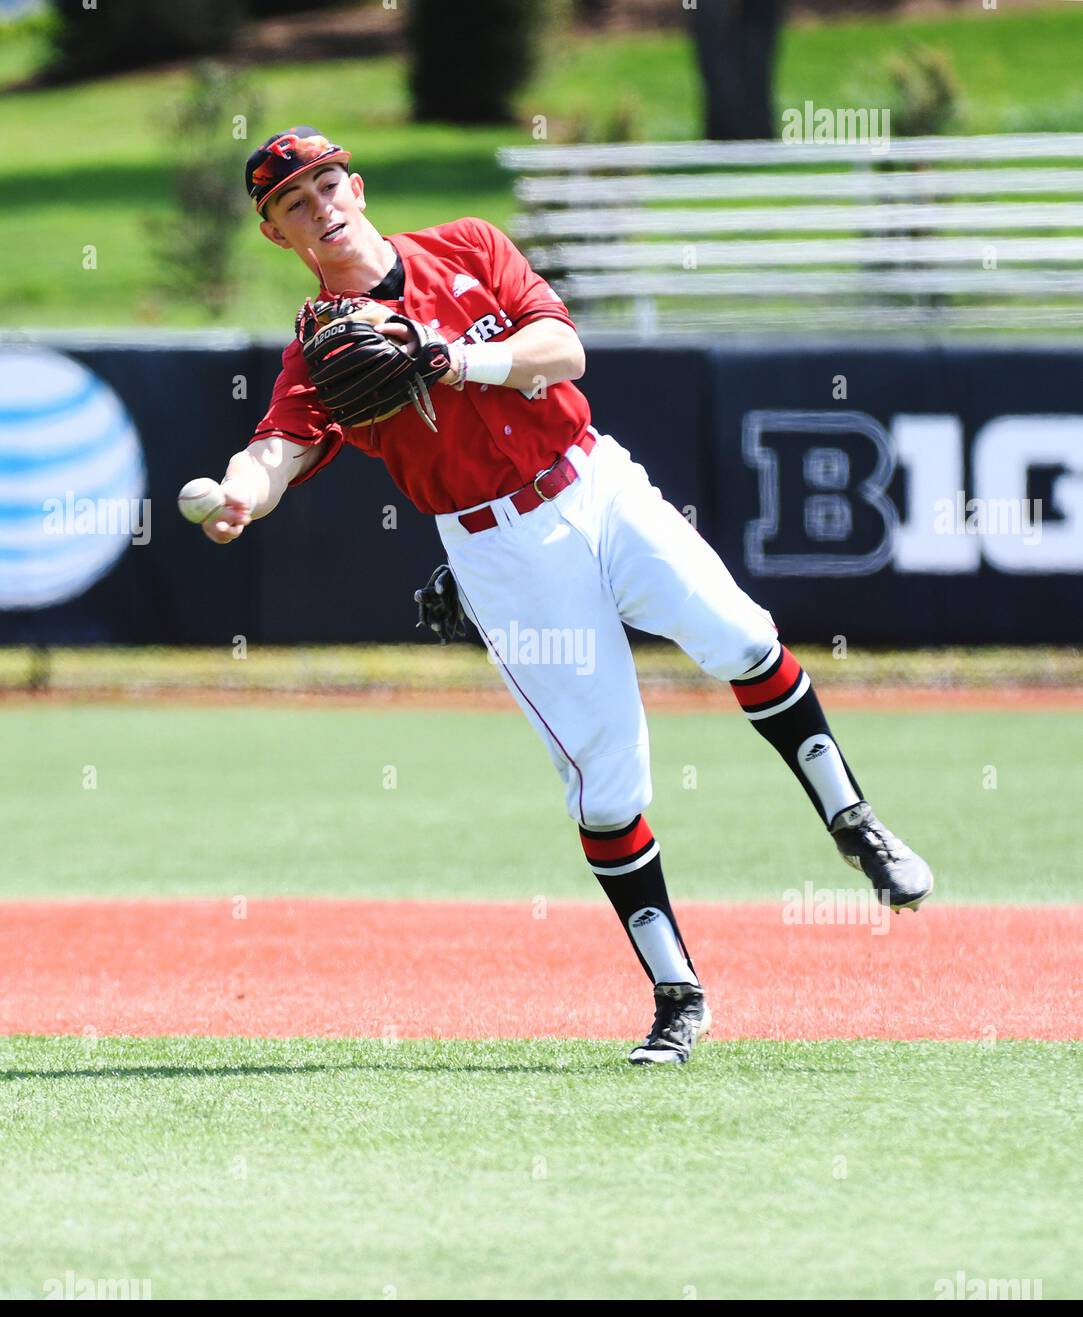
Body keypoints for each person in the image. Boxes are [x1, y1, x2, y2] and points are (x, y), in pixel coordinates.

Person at [200, 126, 933, 1066]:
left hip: (593, 481)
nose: (321, 207)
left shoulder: (466, 245)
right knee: (605, 781)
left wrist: (450, 358)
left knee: (740, 636)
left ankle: (851, 820)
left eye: (327, 184)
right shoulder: (317, 352)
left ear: (358, 184)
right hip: (500, 554)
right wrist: (237, 495)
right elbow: (277, 446)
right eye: (294, 203)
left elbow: (560, 350)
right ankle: (677, 994)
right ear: (277, 236)